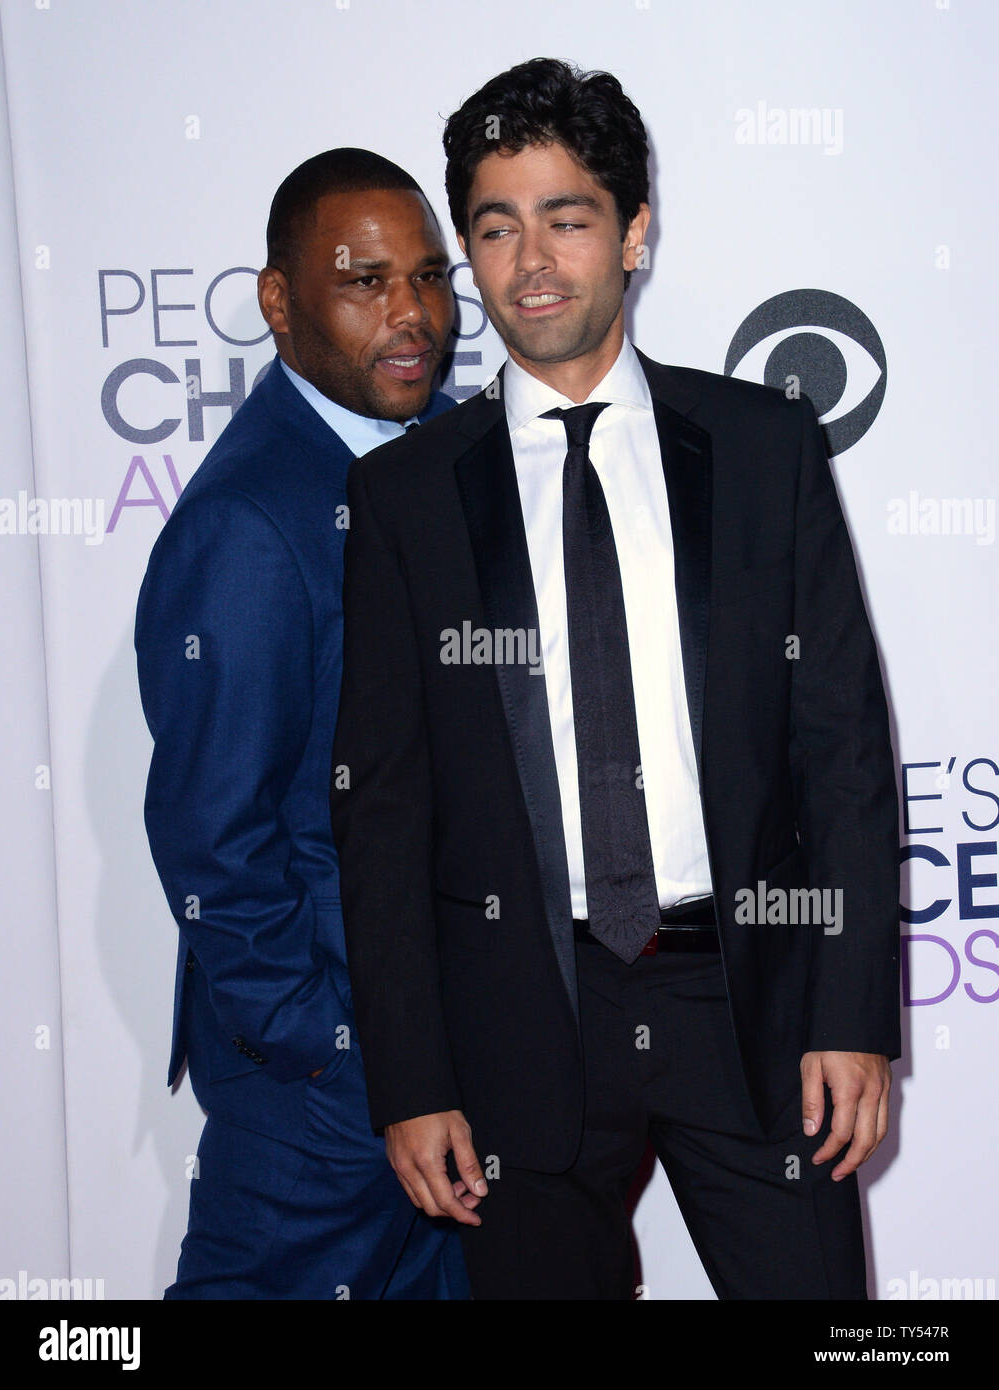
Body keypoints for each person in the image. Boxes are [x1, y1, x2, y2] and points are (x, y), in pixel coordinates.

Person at [330, 61, 901, 1300]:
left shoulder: (761, 450)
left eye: (566, 217)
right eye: (494, 225)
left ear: (633, 232)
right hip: (520, 1015)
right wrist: (412, 1078)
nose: (529, 259)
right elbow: (379, 810)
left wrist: (852, 1012)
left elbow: (843, 754)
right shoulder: (406, 500)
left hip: (745, 994)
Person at [135, 148, 469, 1299]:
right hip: (324, 1099)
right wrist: (339, 1054)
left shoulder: (445, 459)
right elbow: (211, 843)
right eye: (364, 281)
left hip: (452, 1067)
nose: (411, 315)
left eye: (427, 277)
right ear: (279, 303)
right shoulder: (247, 523)